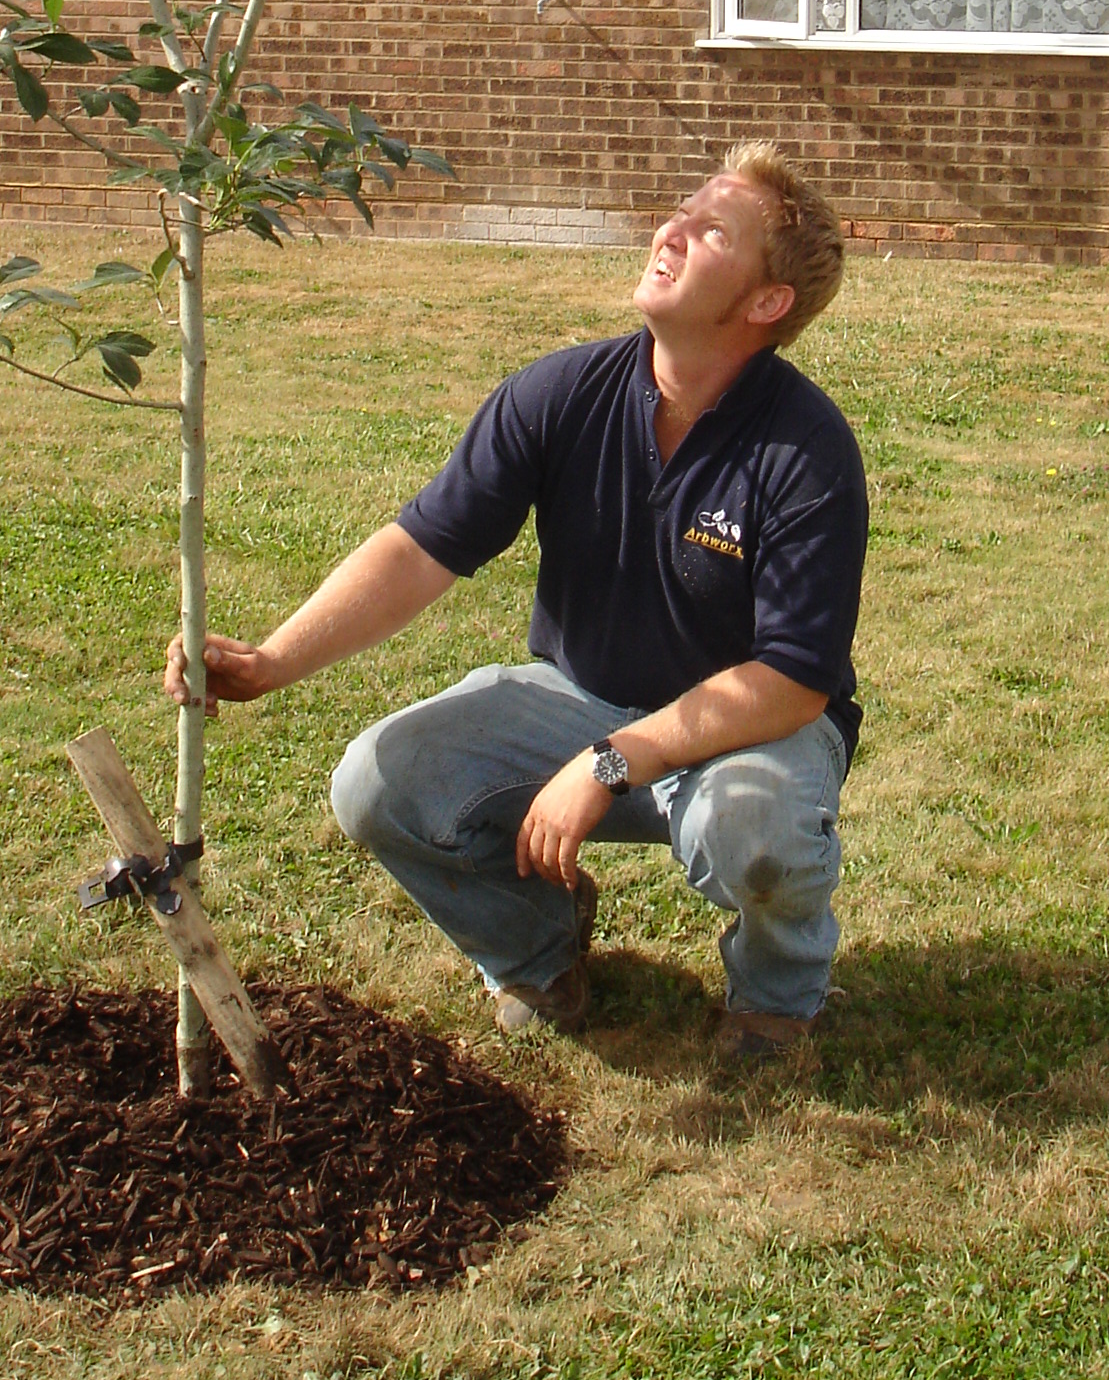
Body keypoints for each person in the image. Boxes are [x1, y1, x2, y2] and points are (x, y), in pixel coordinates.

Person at [164, 141, 868, 1060]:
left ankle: (777, 996)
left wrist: (609, 764)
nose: (672, 231)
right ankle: (537, 949)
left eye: (712, 230)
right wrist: (271, 660)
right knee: (379, 781)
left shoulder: (805, 451)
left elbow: (789, 683)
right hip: (579, 701)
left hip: (749, 736)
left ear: (766, 302)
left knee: (756, 830)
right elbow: (420, 551)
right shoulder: (561, 394)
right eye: (681, 209)